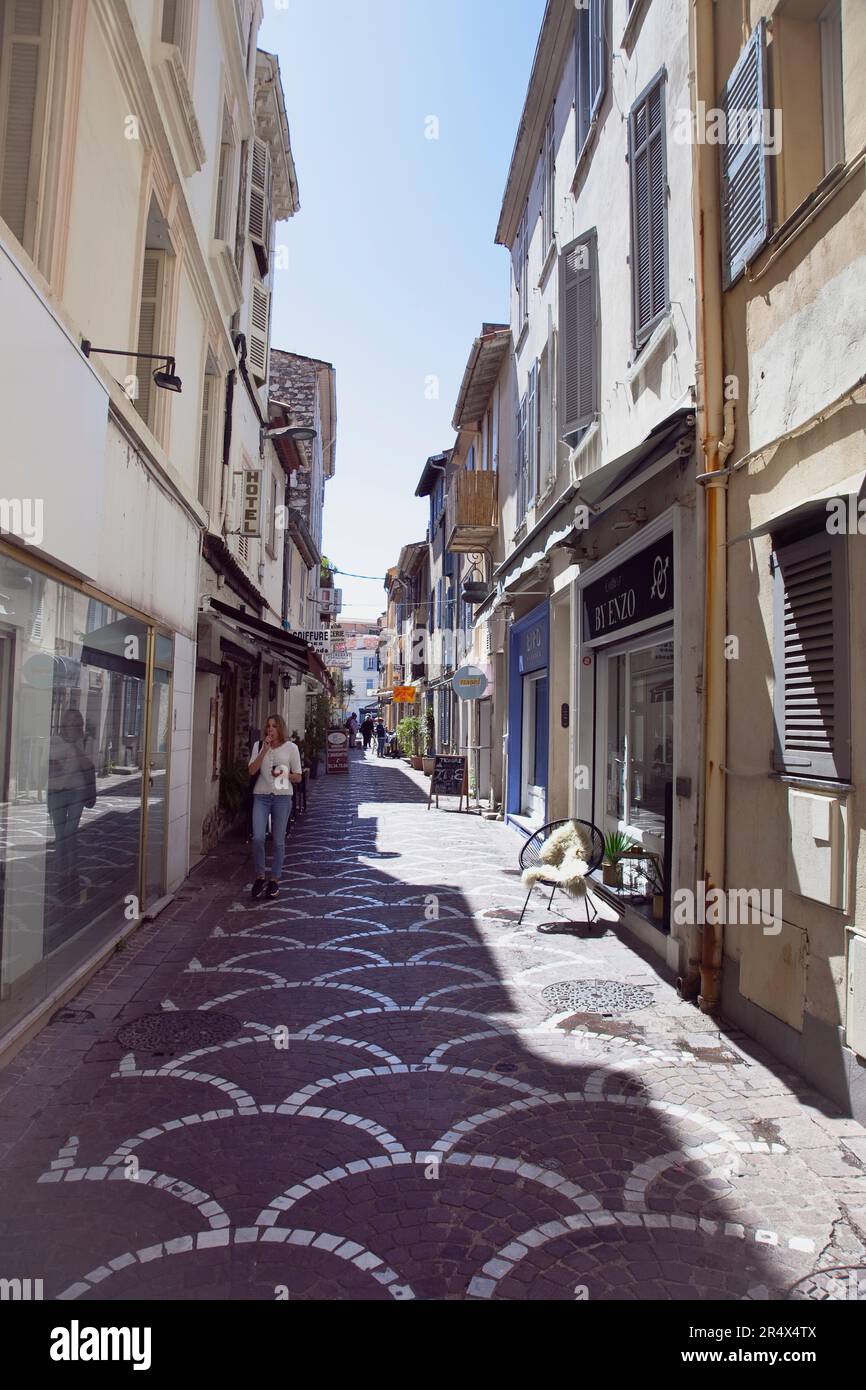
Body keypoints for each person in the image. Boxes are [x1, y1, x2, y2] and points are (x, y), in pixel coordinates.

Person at [248, 714, 302, 900]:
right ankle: (260, 876)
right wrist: (264, 750)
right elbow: (251, 770)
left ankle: (274, 880)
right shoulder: (258, 746)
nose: (270, 729)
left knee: (278, 841)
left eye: (274, 726)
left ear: (280, 729)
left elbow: (299, 776)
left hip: (282, 797)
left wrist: (284, 774)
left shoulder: (291, 748)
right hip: (261, 796)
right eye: (268, 726)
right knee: (257, 838)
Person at [45, 707, 95, 891]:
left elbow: (89, 765)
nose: (73, 724)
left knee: (70, 831)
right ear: (63, 723)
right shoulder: (53, 741)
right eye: (69, 721)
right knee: (60, 834)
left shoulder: (88, 741)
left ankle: (72, 871)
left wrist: (74, 746)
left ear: (80, 723)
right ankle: (62, 872)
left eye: (76, 721)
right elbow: (51, 767)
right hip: (56, 792)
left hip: (77, 791)